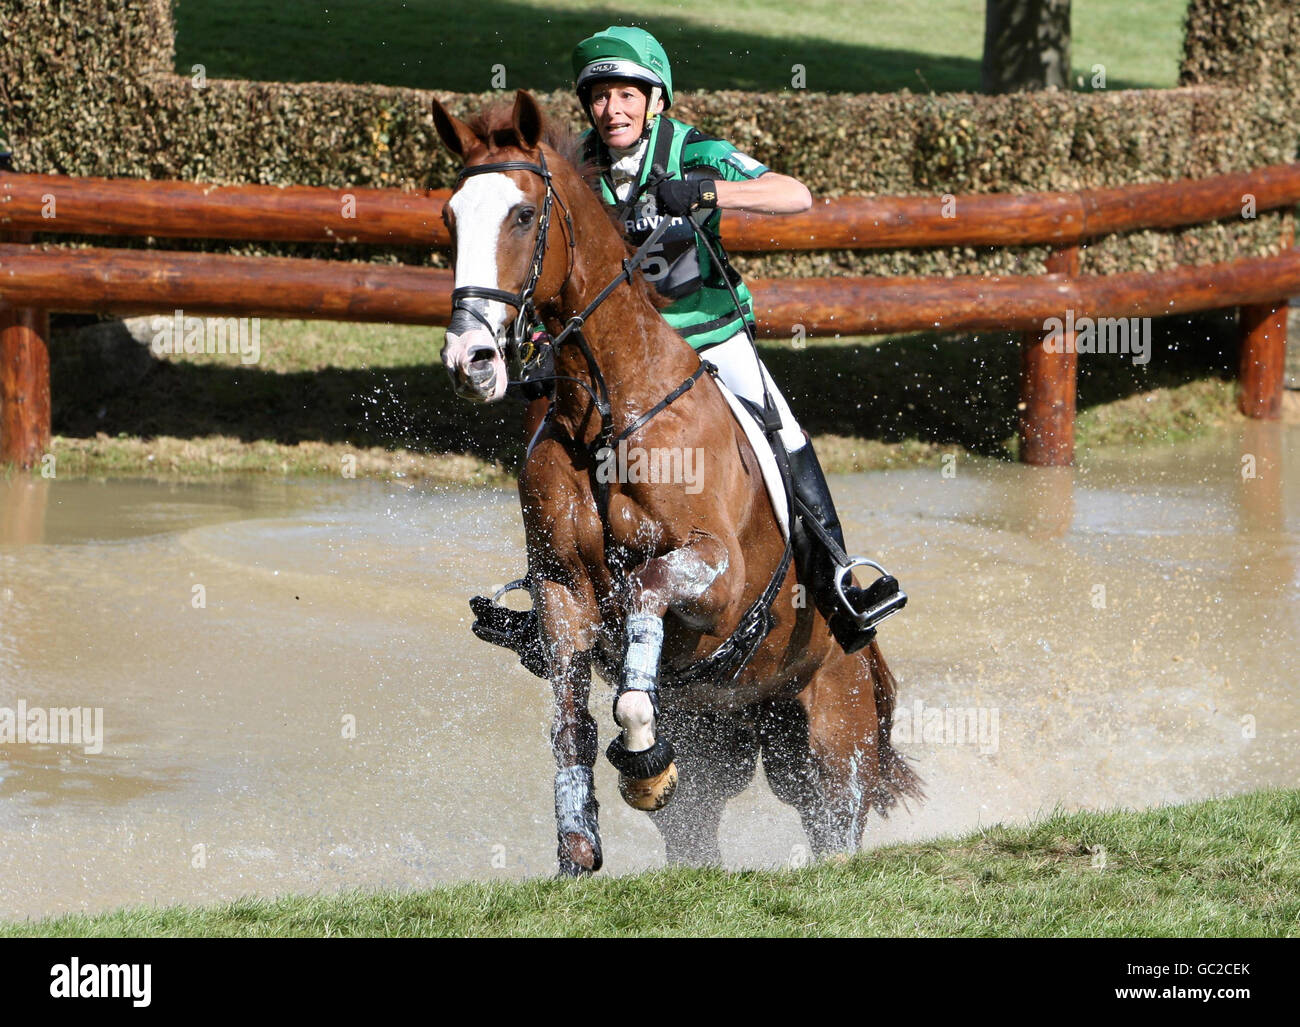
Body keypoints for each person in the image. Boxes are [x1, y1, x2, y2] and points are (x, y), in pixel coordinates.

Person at [480, 26, 902, 658]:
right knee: (551, 439)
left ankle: (837, 578)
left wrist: (707, 192)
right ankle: (553, 600)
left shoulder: (690, 148)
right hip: (613, 358)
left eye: (628, 95)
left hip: (708, 338)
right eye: (599, 97)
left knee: (779, 435)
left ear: (656, 100)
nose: (613, 110)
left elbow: (795, 195)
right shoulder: (577, 171)